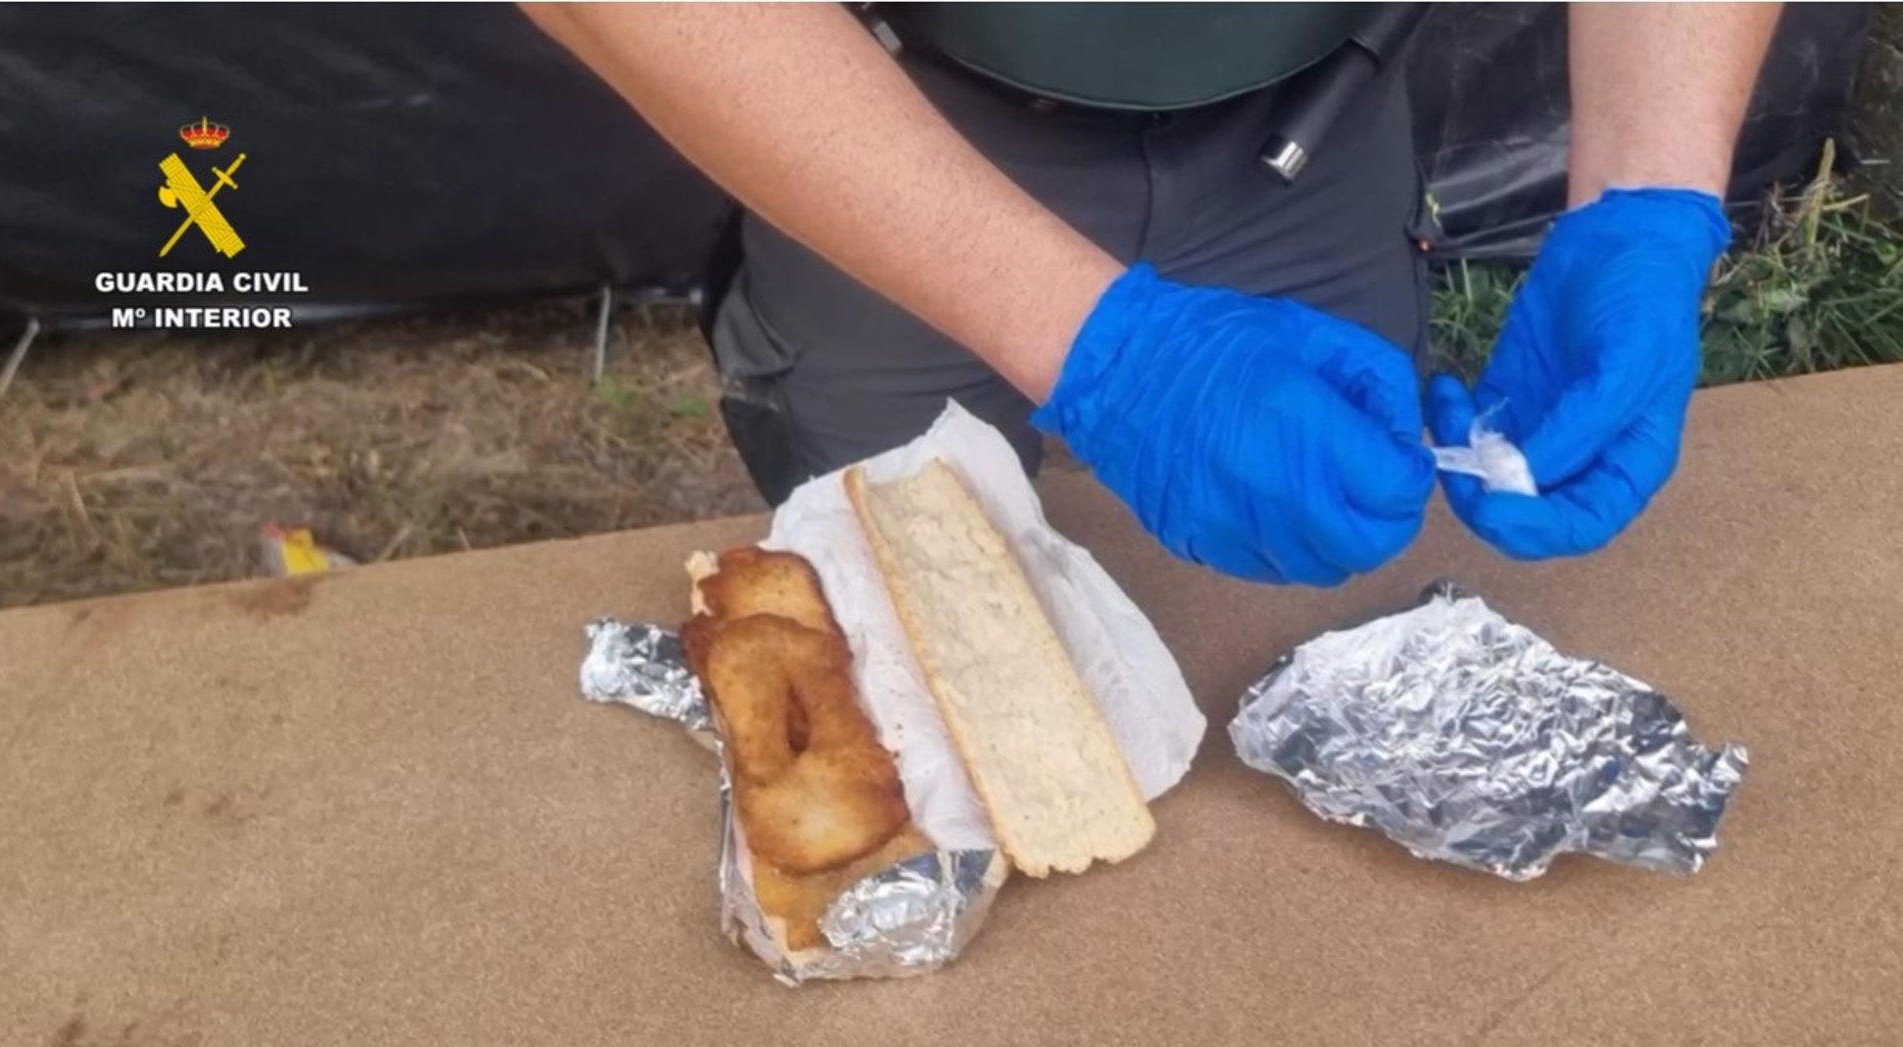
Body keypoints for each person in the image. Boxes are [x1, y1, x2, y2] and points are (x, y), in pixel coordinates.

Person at [520, 2, 1782, 585]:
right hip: (883, 118)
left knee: (1334, 601)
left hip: (1316, 117)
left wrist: (1649, 191)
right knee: (909, 636)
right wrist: (1099, 343)